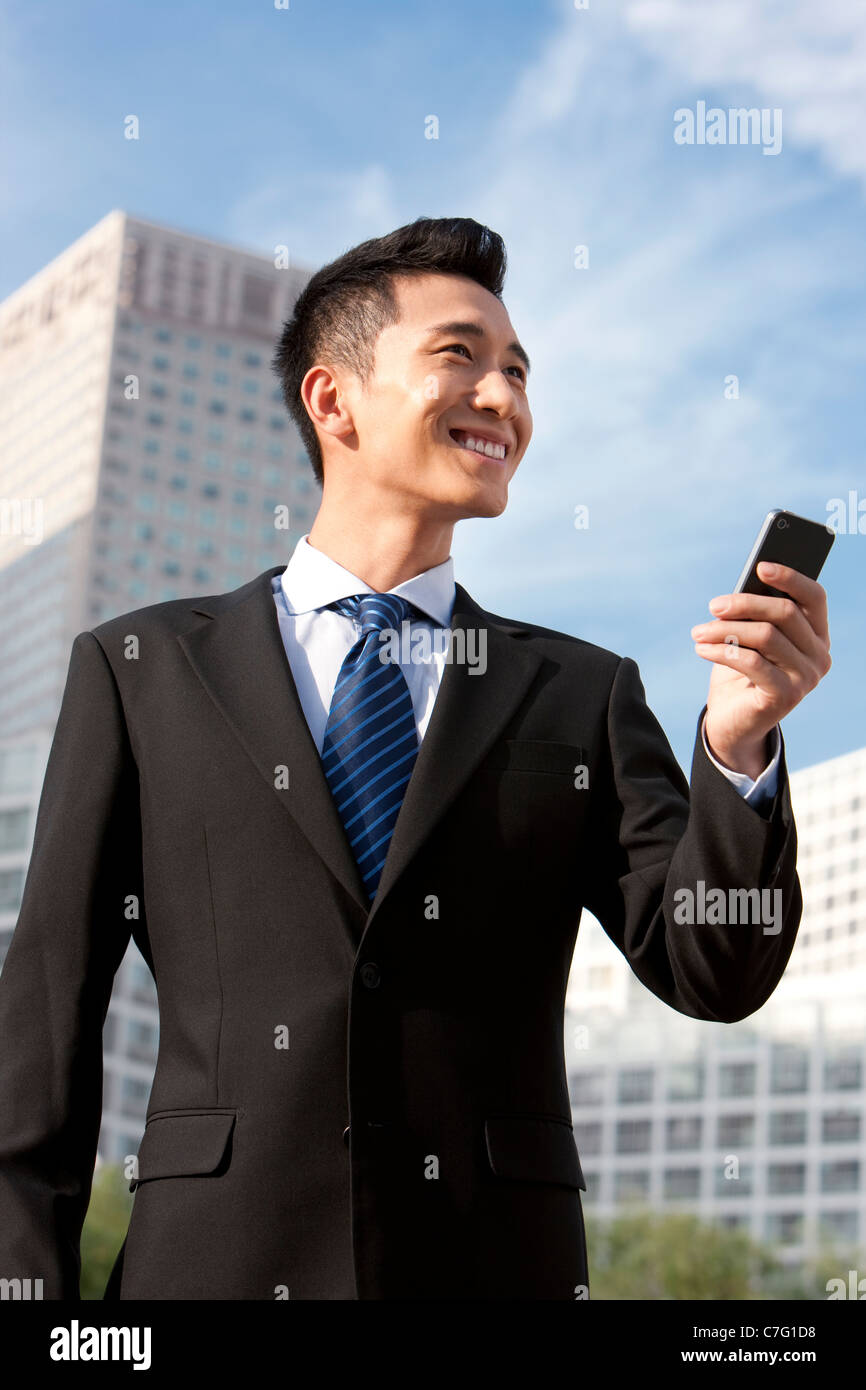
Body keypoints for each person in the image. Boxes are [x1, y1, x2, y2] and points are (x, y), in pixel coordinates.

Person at [0, 217, 830, 1300]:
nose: (503, 398)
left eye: (518, 372)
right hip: (210, 1268)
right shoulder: (142, 670)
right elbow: (44, 1027)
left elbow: (712, 970)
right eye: (460, 357)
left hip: (494, 1270)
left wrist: (737, 745)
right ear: (331, 400)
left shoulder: (579, 692)